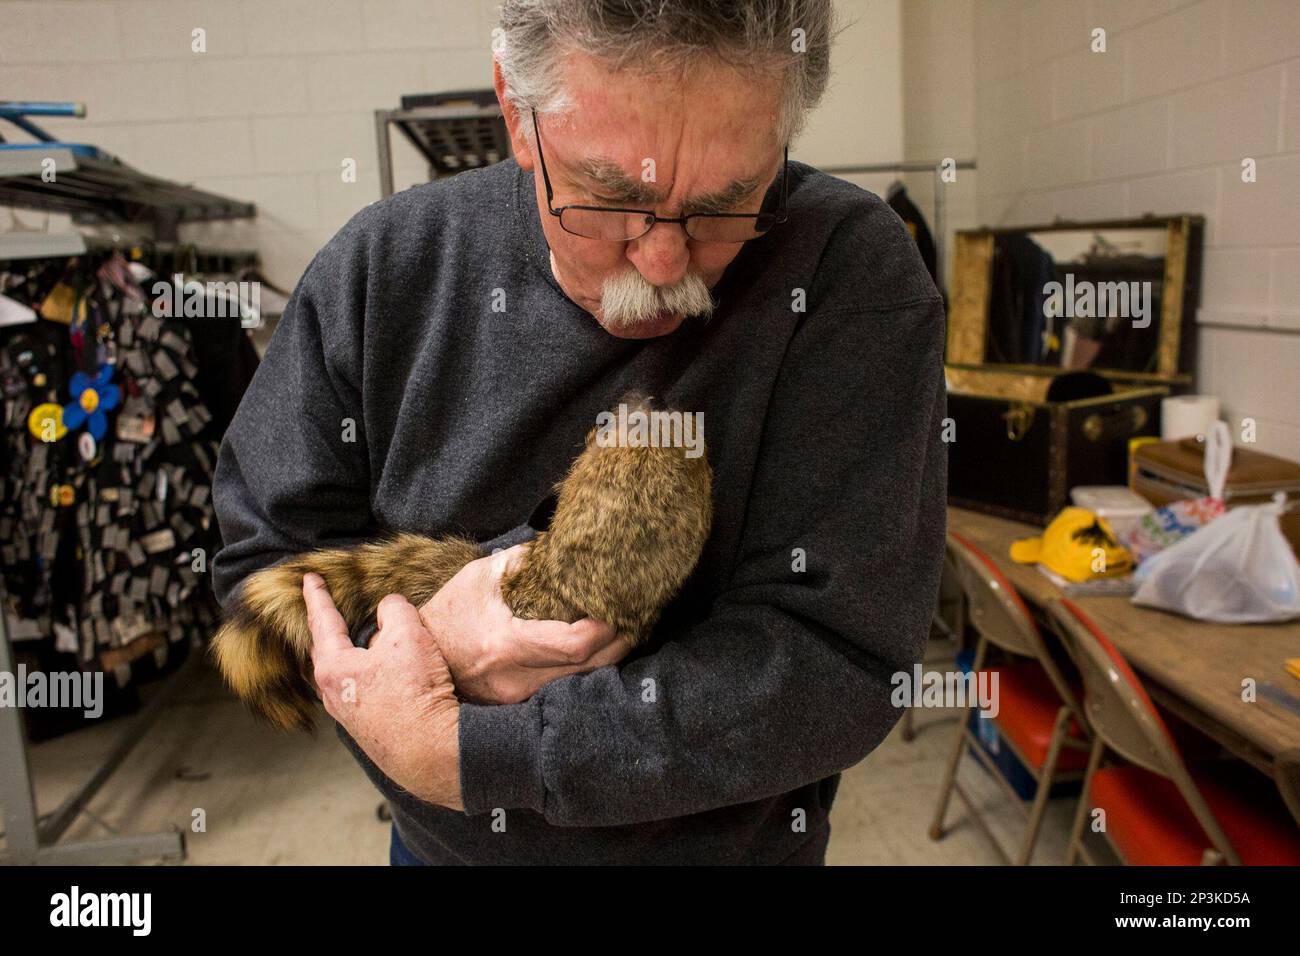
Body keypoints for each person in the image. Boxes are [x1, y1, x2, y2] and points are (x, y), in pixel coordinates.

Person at [212, 0, 947, 865]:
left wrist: (471, 753)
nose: (665, 262)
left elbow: (841, 658)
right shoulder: (385, 266)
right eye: (611, 198)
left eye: (728, 202)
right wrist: (438, 645)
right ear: (515, 114)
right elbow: (260, 579)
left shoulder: (849, 268)